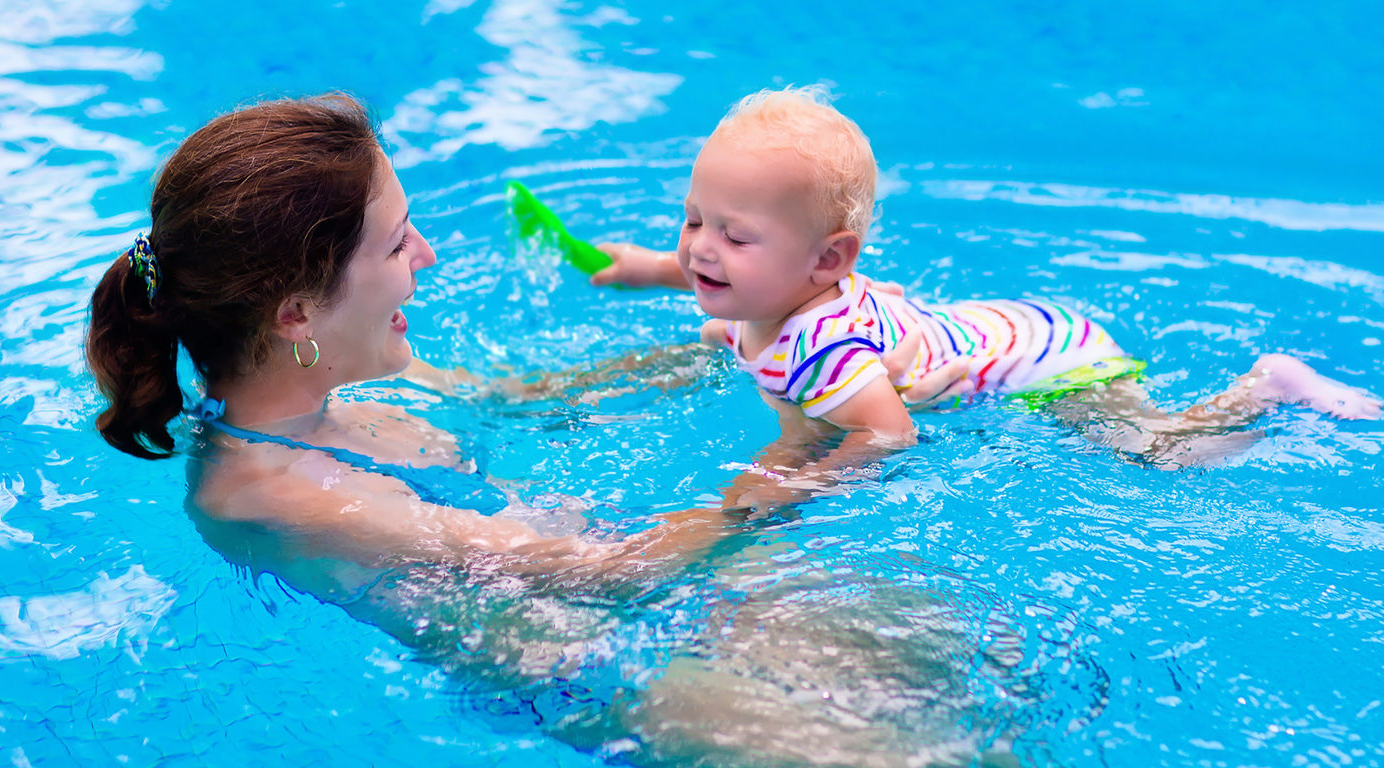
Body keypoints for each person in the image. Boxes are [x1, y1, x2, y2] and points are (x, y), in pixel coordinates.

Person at [85, 93, 1040, 765]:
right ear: (296, 313)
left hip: (654, 592)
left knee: (972, 665)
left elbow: (531, 396)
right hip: (587, 669)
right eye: (395, 243)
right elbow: (607, 576)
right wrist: (802, 448)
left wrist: (771, 349)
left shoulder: (361, 375)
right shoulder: (268, 493)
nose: (426, 252)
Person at [590, 85, 1381, 467]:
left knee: (1155, 454)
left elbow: (889, 432)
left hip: (1056, 364)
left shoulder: (825, 355)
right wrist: (642, 268)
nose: (698, 250)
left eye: (733, 236)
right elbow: (695, 272)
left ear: (826, 261)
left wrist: (800, 479)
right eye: (694, 219)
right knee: (709, 337)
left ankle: (1266, 387)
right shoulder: (761, 288)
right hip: (996, 321)